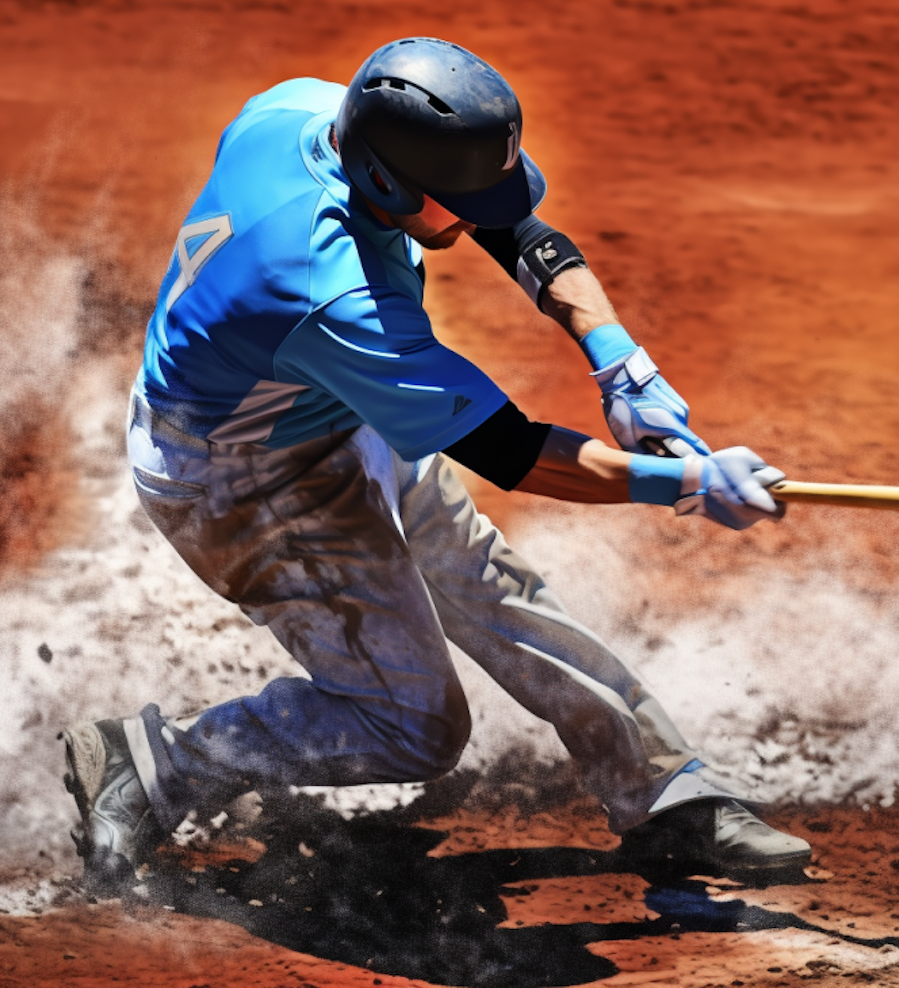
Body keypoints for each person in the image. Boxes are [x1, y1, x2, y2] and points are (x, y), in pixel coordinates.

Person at [62, 37, 810, 890]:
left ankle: (665, 793)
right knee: (414, 725)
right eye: (457, 200)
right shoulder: (330, 293)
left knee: (489, 584)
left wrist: (623, 366)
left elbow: (513, 226)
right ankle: (154, 763)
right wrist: (683, 483)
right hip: (241, 481)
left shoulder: (303, 110)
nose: (478, 216)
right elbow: (515, 453)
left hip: (323, 406)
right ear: (383, 180)